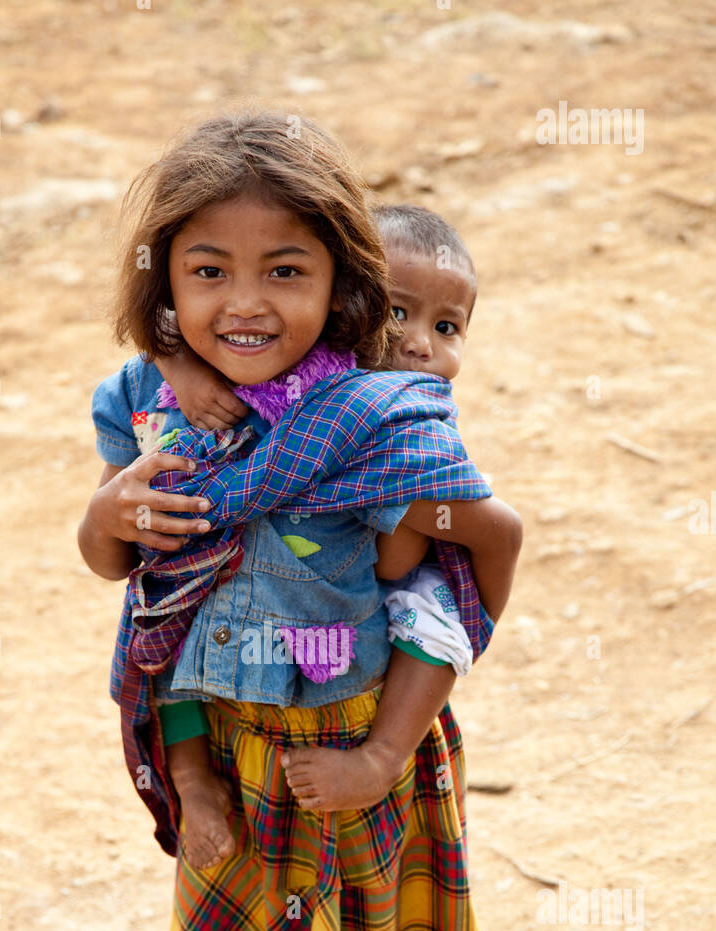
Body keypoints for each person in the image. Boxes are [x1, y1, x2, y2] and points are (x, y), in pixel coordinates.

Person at [78, 111, 522, 931]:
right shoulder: (147, 405)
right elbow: (129, 584)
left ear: (344, 283)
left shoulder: (380, 416)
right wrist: (111, 515)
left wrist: (381, 752)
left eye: (287, 270)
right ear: (165, 283)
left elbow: (452, 572)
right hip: (221, 744)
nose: (247, 301)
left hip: (351, 739)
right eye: (208, 269)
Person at [155, 202, 494, 833]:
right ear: (346, 302)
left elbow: (412, 558)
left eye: (447, 328)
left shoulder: (407, 422)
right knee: (168, 611)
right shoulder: (278, 381)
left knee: (432, 616)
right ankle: (188, 772)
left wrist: (476, 610)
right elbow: (158, 347)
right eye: (397, 313)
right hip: (252, 676)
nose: (419, 342)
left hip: (369, 660)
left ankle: (384, 756)